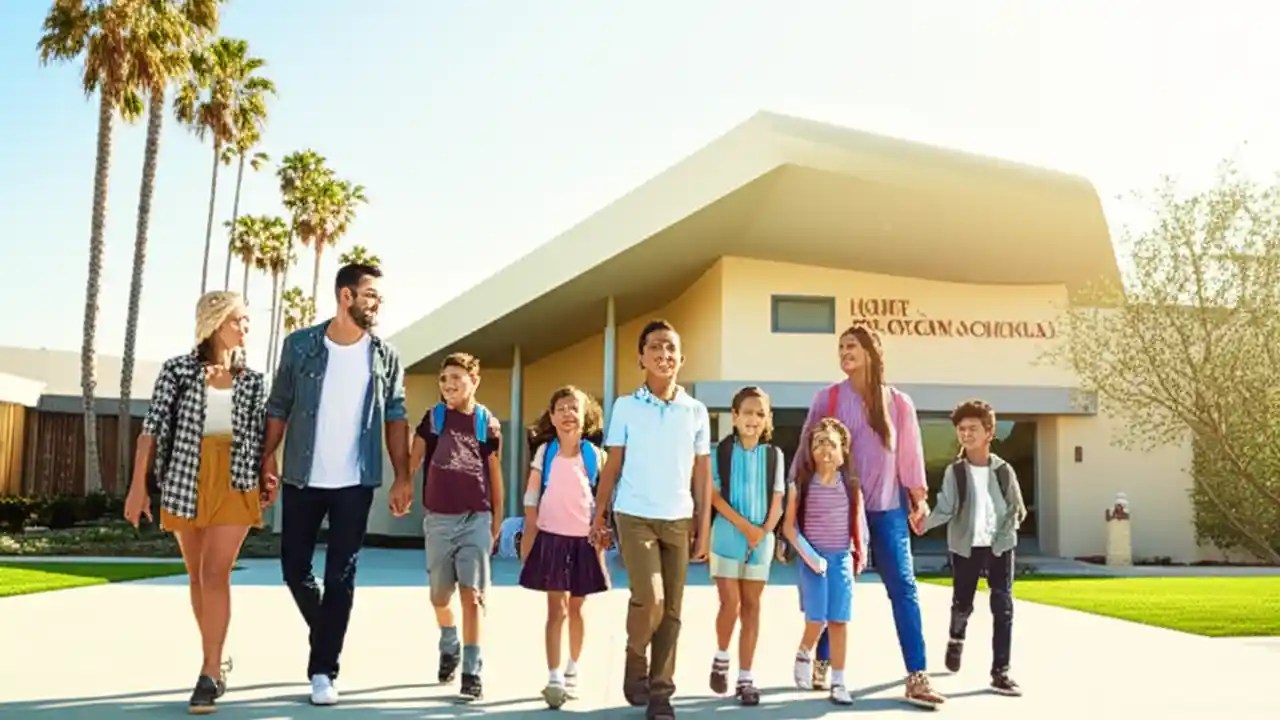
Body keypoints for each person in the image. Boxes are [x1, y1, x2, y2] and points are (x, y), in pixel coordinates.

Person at [260, 263, 411, 707]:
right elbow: (279, 406)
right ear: (345, 297)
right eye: (369, 294)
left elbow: (397, 416)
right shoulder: (301, 345)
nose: (376, 303)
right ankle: (327, 632)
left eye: (378, 296)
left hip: (355, 481)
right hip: (302, 477)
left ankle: (323, 669)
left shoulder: (385, 356)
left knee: (341, 577)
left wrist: (403, 476)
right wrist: (265, 458)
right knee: (293, 568)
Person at [123, 291, 264, 714]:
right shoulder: (178, 371)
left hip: (236, 480)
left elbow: (261, 436)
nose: (245, 327)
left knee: (215, 572)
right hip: (185, 478)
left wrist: (268, 469)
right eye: (239, 319)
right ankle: (216, 662)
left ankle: (207, 672)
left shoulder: (253, 379)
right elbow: (151, 429)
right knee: (198, 576)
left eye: (246, 320)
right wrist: (138, 486)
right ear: (216, 324)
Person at [792, 323, 945, 709]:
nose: (844, 352)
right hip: (837, 509)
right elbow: (805, 451)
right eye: (841, 346)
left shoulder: (898, 404)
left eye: (852, 346)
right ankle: (823, 660)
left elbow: (909, 454)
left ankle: (917, 675)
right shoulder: (826, 399)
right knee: (833, 586)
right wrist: (790, 501)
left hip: (887, 507)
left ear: (871, 352)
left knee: (904, 588)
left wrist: (919, 498)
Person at [589, 319, 712, 720]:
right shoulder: (626, 406)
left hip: (679, 518)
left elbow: (702, 473)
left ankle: (661, 695)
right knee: (651, 599)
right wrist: (599, 514)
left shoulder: (695, 410)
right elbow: (613, 465)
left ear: (681, 358)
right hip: (634, 513)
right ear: (641, 356)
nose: (664, 355)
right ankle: (634, 654)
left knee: (673, 611)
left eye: (671, 348)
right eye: (656, 347)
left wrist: (703, 526)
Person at [410, 352, 504, 701]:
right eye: (444, 379)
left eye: (457, 378)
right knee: (440, 596)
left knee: (472, 595)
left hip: (475, 518)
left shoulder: (486, 424)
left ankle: (471, 669)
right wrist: (404, 485)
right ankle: (449, 640)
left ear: (474, 381)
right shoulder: (433, 419)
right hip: (438, 519)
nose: (449, 385)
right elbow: (414, 459)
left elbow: (494, 473)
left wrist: (497, 518)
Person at [923, 399, 1027, 696]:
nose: (966, 433)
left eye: (973, 428)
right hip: (966, 547)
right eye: (961, 429)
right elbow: (945, 508)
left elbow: (1017, 510)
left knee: (1003, 607)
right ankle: (956, 638)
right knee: (963, 603)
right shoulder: (955, 472)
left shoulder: (1003, 471)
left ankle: (1001, 673)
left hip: (1000, 548)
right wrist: (923, 524)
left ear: (988, 432)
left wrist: (1002, 537)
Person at [519, 386, 611, 709]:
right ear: (552, 416)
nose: (568, 413)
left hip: (583, 543)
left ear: (585, 417)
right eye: (562, 408)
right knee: (554, 611)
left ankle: (573, 669)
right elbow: (531, 498)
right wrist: (529, 536)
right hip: (551, 539)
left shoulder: (595, 456)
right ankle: (554, 676)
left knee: (576, 608)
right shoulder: (544, 453)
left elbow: (604, 499)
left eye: (575, 408)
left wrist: (602, 532)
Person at [706, 386, 784, 706]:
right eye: (747, 412)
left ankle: (746, 677)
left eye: (760, 413)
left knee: (752, 607)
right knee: (731, 603)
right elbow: (713, 497)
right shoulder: (720, 453)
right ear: (735, 416)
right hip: (727, 536)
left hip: (760, 541)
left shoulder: (774, 456)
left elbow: (777, 501)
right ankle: (722, 656)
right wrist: (746, 528)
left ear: (768, 420)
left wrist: (763, 531)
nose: (753, 419)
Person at [783, 417, 865, 706]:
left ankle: (840, 681)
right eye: (819, 443)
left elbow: (858, 521)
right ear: (810, 450)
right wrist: (811, 557)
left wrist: (860, 552)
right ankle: (805, 651)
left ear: (843, 451)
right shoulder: (800, 485)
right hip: (811, 559)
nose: (825, 449)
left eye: (831, 443)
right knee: (816, 619)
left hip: (840, 557)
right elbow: (789, 529)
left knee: (839, 620)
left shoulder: (851, 485)